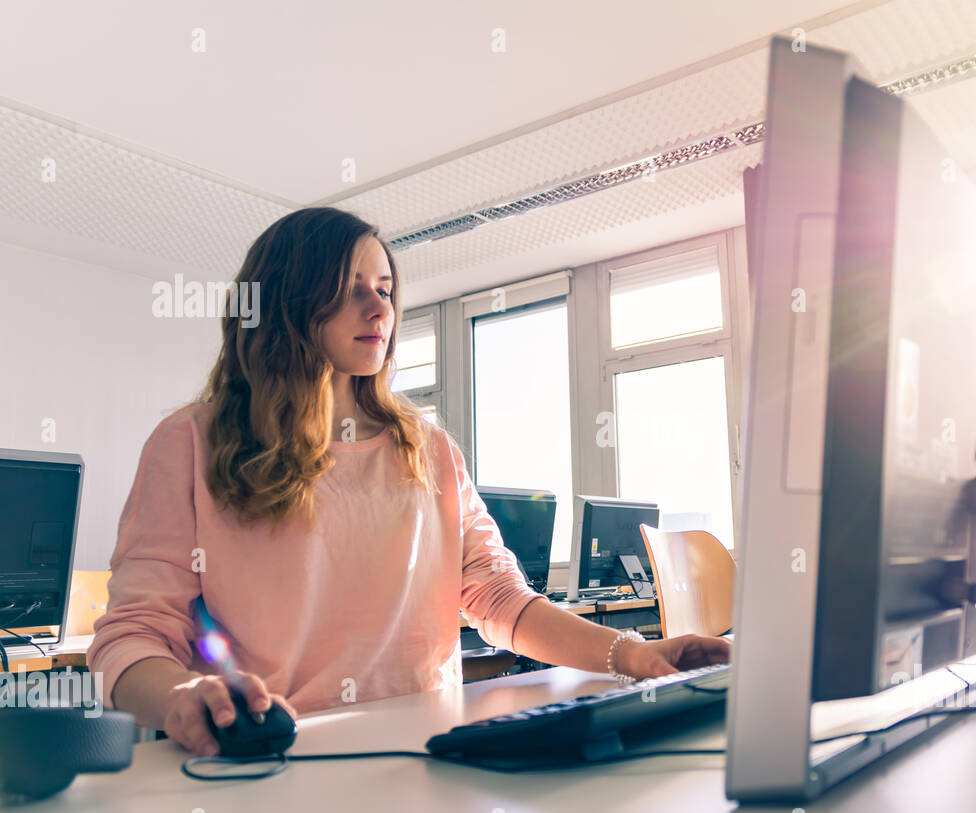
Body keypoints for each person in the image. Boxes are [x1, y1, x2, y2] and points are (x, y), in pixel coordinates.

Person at [88, 207, 731, 756]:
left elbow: (501, 601)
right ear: (286, 302)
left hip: (424, 752)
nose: (380, 307)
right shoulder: (192, 441)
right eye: (350, 288)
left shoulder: (429, 448)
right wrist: (181, 697)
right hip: (273, 762)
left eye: (386, 287)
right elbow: (133, 634)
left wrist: (635, 654)